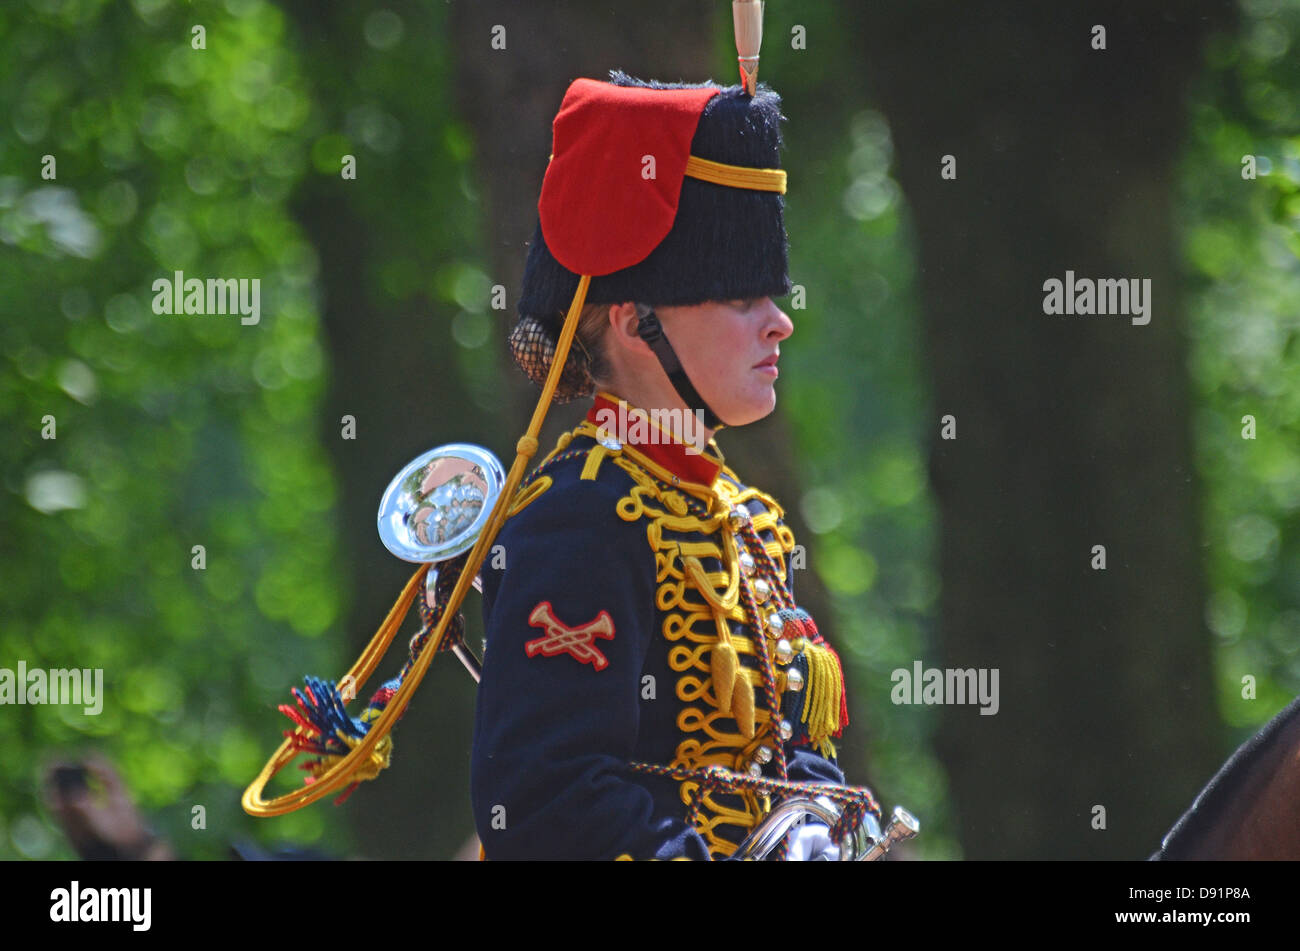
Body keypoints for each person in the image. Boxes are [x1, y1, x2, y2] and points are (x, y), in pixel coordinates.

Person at [470, 71, 854, 860]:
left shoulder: (743, 516)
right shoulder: (577, 520)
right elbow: (550, 798)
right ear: (634, 322)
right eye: (741, 299)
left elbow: (789, 758)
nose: (779, 322)